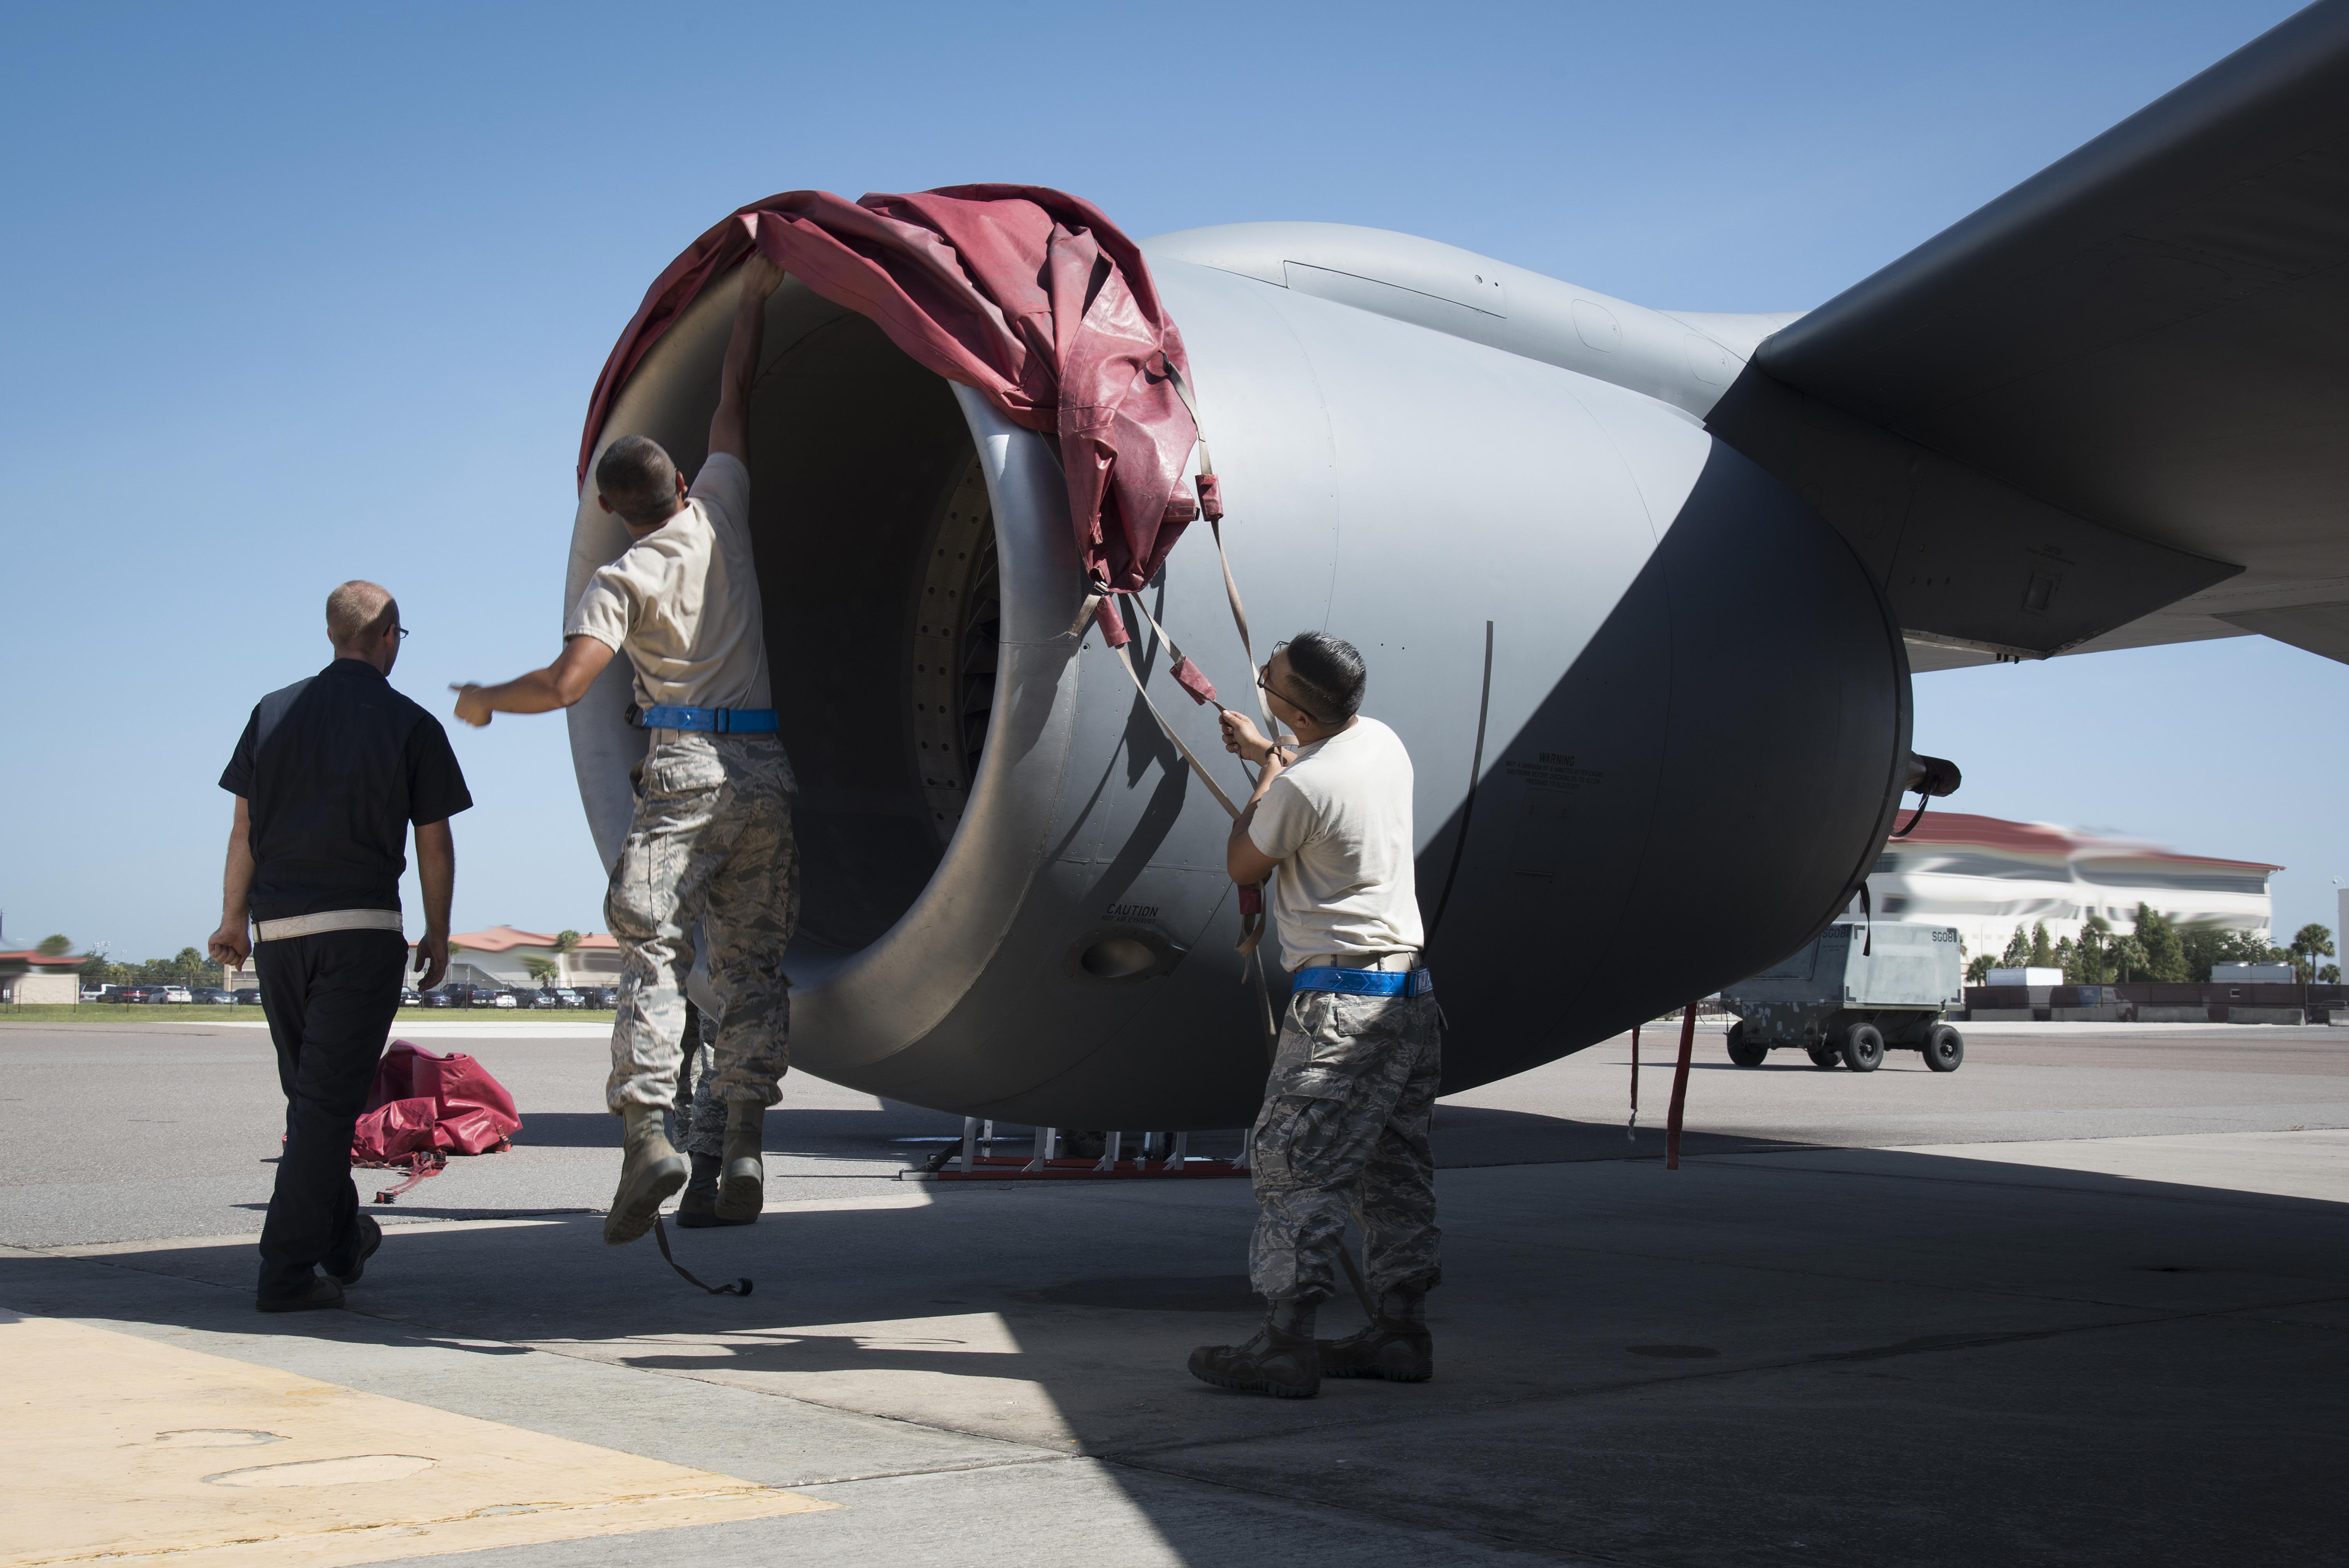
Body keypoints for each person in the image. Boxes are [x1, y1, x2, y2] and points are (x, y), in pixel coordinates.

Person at [452, 252, 796, 1246]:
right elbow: (735, 395)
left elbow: (567, 683)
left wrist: (483, 699)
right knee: (752, 962)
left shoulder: (621, 577)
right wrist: (750, 303)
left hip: (685, 766)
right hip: (765, 770)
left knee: (650, 946)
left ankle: (649, 1130)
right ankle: (740, 1143)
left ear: (610, 508)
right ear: (682, 482)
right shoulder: (722, 514)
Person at [1189, 632, 1441, 1398]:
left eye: (1270, 674)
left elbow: (1243, 858)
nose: (1260, 674)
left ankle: (1285, 1343)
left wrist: (1269, 763)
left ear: (1294, 706)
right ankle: (1399, 1330)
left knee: (1294, 1163)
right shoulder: (1380, 742)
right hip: (1409, 997)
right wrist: (1277, 747)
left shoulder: (1299, 785)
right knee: (1391, 1164)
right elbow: (1320, 772)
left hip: (1341, 1006)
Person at [208, 581, 470, 1313]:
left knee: (312, 1104)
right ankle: (286, 1275)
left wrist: (233, 920)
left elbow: (243, 829)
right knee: (322, 1112)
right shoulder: (410, 723)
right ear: (387, 633)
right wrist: (439, 931)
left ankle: (339, 1240)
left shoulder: (272, 712)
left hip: (280, 939)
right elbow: (435, 841)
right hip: (358, 936)